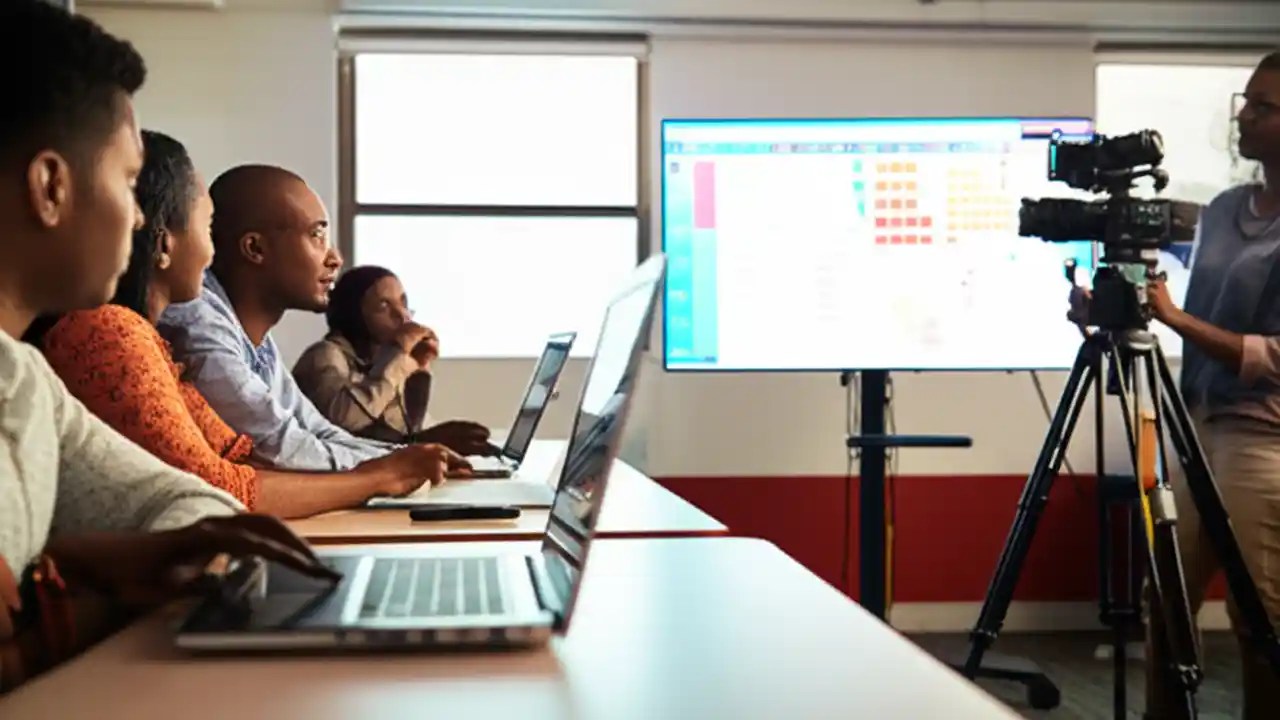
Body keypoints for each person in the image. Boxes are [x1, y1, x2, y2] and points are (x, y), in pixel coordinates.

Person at [0, 0, 335, 692]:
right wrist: (85, 583)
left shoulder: (27, 382)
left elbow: (198, 512)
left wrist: (69, 569)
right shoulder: (99, 339)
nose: (141, 217)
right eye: (128, 182)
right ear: (51, 188)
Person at [29, 130, 461, 519]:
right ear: (163, 242)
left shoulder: (149, 340)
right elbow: (224, 484)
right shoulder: (114, 332)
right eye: (209, 226)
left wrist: (400, 462)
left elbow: (241, 458)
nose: (214, 251)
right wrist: (378, 477)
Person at [1071, 51, 1280, 719]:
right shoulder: (1222, 210)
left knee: (1260, 620)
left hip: (1261, 443)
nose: (1244, 117)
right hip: (1194, 428)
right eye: (1245, 102)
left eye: (1263, 107)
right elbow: (1185, 314)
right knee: (1166, 608)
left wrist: (1178, 320)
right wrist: (1112, 310)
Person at [158, 165, 491, 471]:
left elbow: (316, 429)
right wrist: (399, 465)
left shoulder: (257, 341)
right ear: (255, 249)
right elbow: (281, 447)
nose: (335, 258)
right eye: (317, 235)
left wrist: (409, 457)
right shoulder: (197, 324)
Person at [294, 265, 483, 444]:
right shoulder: (324, 355)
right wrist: (397, 355)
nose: (403, 316)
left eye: (404, 303)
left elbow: (408, 432)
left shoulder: (383, 359)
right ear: (354, 316)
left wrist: (419, 369)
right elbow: (346, 421)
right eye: (384, 306)